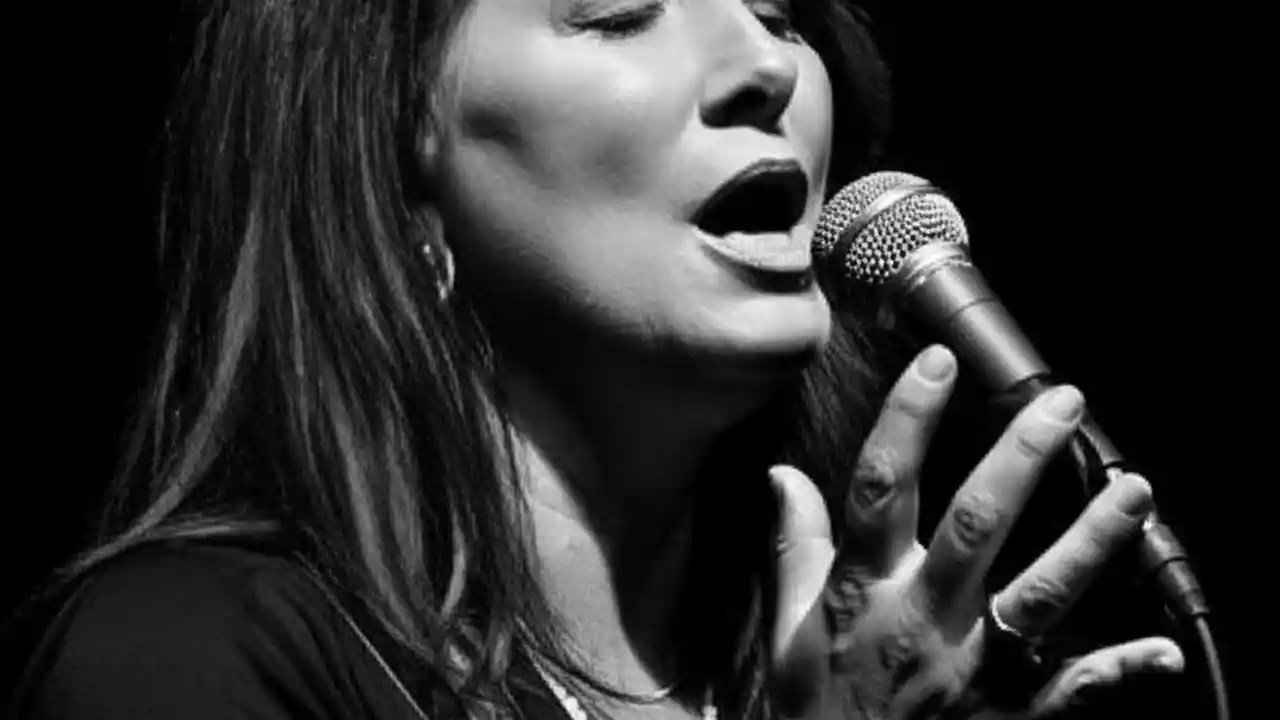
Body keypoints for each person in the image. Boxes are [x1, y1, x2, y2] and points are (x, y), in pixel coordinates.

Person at [5, 0, 1185, 718]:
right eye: (620, 11)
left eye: (777, 12)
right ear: (396, 168)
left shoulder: (849, 662)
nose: (768, 66)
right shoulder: (175, 657)